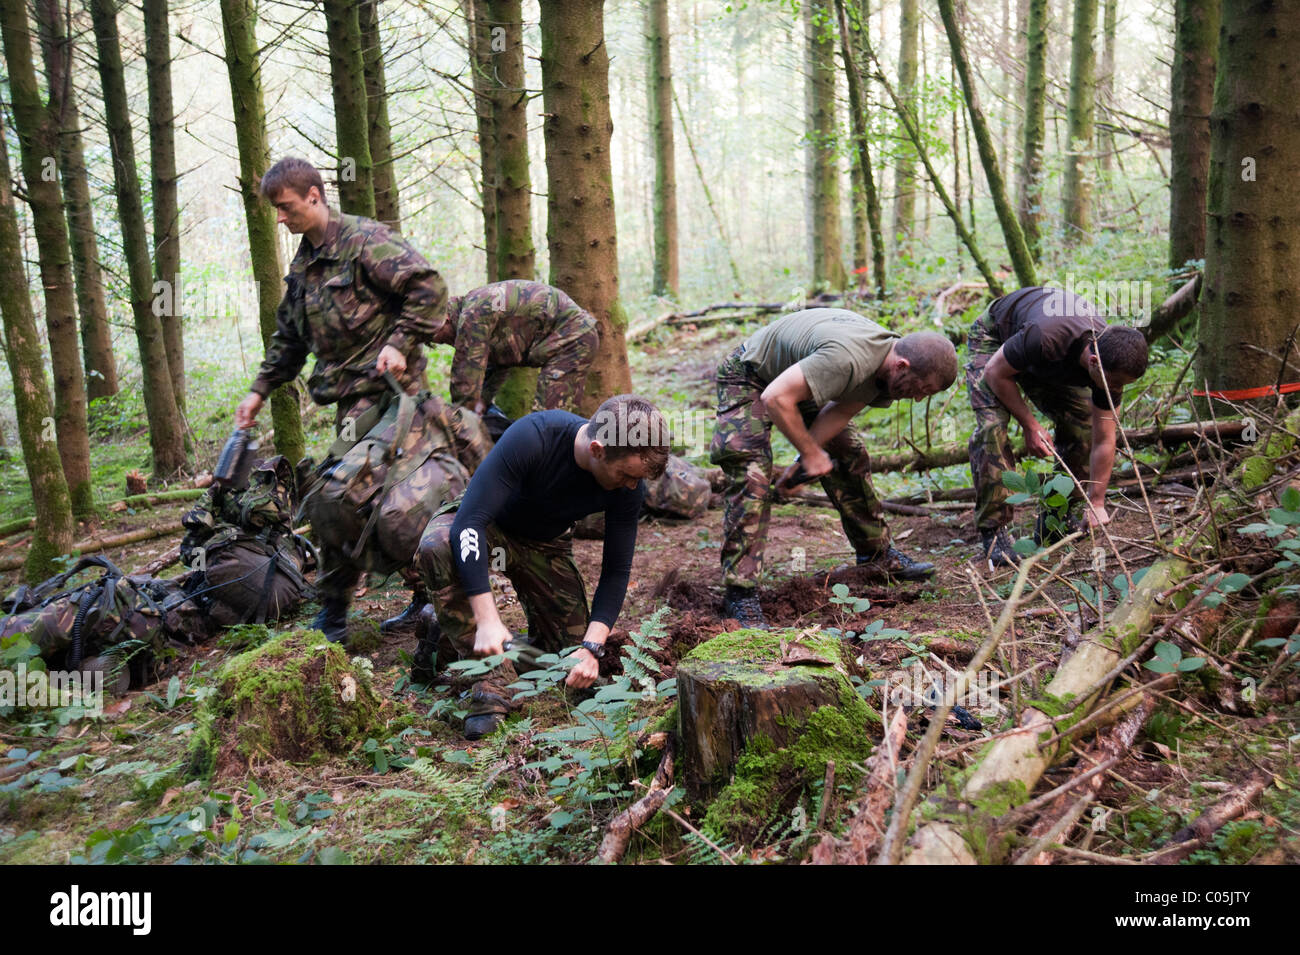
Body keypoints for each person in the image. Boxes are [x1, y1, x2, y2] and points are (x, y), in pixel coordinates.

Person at [231, 157, 449, 642]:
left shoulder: (365, 241)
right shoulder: (304, 264)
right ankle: (335, 613)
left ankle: (430, 599)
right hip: (351, 409)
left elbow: (429, 286)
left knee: (377, 502)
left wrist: (399, 341)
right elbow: (288, 338)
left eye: (286, 208)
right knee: (335, 500)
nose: (281, 219)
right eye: (276, 212)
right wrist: (258, 391)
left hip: (398, 400)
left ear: (314, 195)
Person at [414, 394, 669, 740]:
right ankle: (490, 682)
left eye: (637, 480)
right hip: (489, 523)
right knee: (438, 546)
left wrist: (591, 648)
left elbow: (616, 570)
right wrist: (488, 620)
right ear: (597, 450)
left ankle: (443, 634)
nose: (631, 486)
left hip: (546, 543)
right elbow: (469, 523)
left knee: (564, 659)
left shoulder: (628, 486)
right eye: (626, 475)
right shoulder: (534, 436)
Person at [709, 308, 959, 627]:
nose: (918, 399)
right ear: (902, 366)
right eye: (921, 389)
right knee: (752, 473)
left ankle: (876, 555)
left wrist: (804, 462)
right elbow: (775, 398)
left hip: (797, 377)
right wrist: (811, 453)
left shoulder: (885, 372)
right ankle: (740, 594)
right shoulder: (849, 360)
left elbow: (837, 415)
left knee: (847, 450)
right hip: (751, 374)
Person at [965, 286, 1150, 568]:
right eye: (1114, 384)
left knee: (1083, 426)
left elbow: (1104, 438)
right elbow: (995, 372)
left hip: (1043, 362)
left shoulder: (1111, 362)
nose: (1117, 390)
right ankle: (994, 533)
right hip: (997, 340)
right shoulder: (1045, 337)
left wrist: (1096, 502)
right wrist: (1030, 424)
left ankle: (1055, 516)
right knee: (993, 429)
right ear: (1093, 362)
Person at [431, 279, 599, 414]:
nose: (446, 343)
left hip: (574, 338)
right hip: (575, 337)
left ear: (444, 319)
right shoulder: (475, 313)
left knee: (548, 423)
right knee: (550, 424)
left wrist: (460, 421)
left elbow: (466, 377)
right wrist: (483, 400)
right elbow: (498, 363)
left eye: (439, 337)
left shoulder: (472, 314)